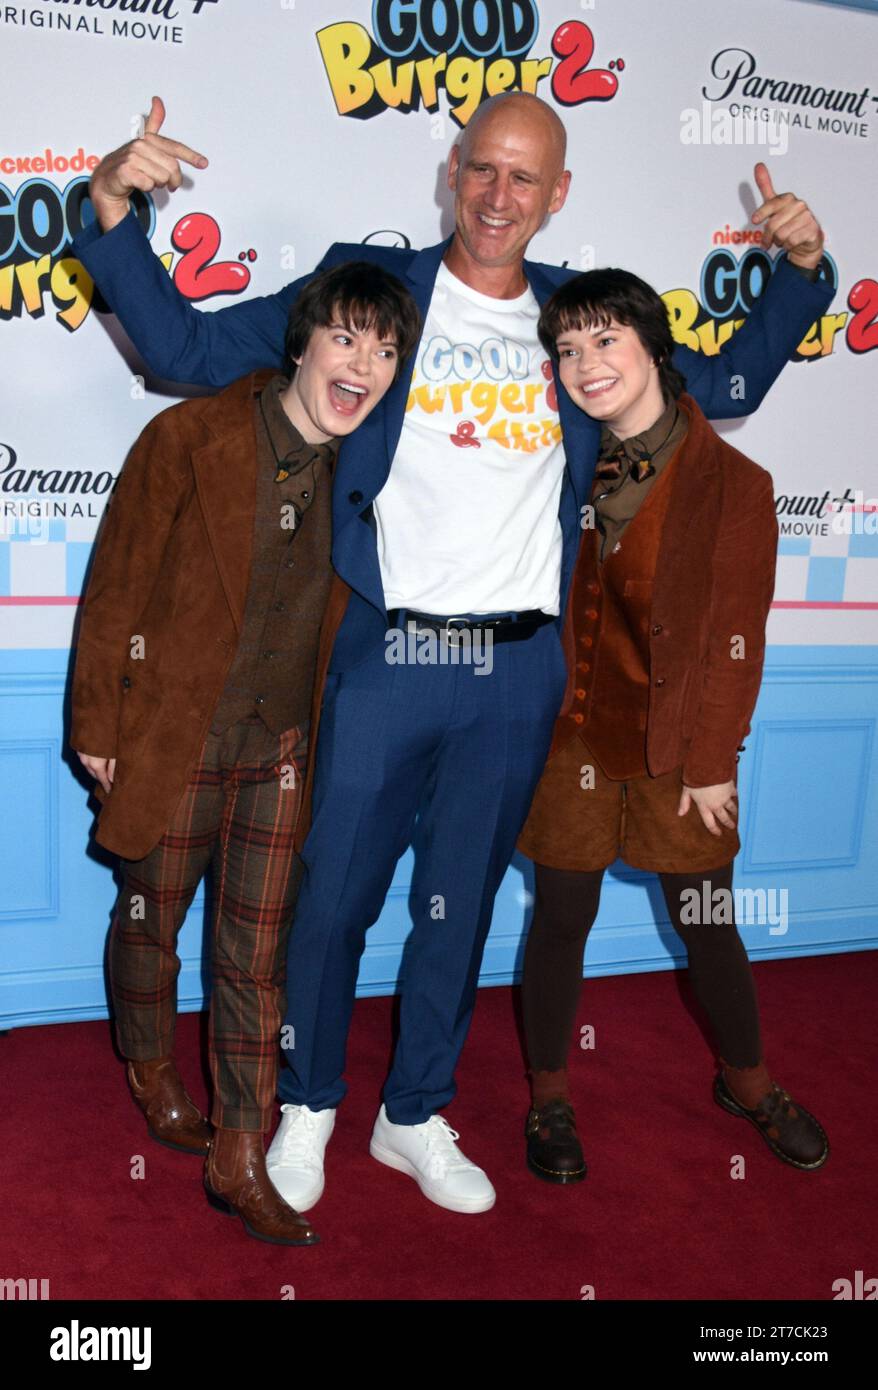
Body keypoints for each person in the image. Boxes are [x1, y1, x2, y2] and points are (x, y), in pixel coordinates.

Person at [71, 90, 833, 1217]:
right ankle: (311, 1101)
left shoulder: (579, 328)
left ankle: (413, 1111)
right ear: (451, 174)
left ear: (556, 195)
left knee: (458, 904)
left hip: (520, 672)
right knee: (329, 901)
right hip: (385, 653)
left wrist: (800, 277)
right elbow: (182, 346)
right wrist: (110, 210)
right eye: (480, 169)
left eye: (524, 178)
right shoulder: (374, 300)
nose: (496, 195)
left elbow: (719, 383)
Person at [71, 261, 421, 1245]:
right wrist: (98, 724)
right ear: (300, 342)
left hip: (281, 750)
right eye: (347, 338)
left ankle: (238, 1146)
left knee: (253, 958)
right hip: (172, 735)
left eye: (386, 349)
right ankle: (148, 1067)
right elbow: (116, 586)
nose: (365, 364)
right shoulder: (189, 437)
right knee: (149, 921)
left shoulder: (367, 474)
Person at [517, 267, 829, 1183]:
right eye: (568, 349)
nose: (584, 363)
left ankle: (750, 1081)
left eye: (605, 340)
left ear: (657, 349)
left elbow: (739, 633)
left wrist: (713, 762)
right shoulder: (566, 453)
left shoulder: (734, 481)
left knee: (707, 923)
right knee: (559, 921)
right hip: (571, 737)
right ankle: (549, 1096)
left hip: (680, 750)